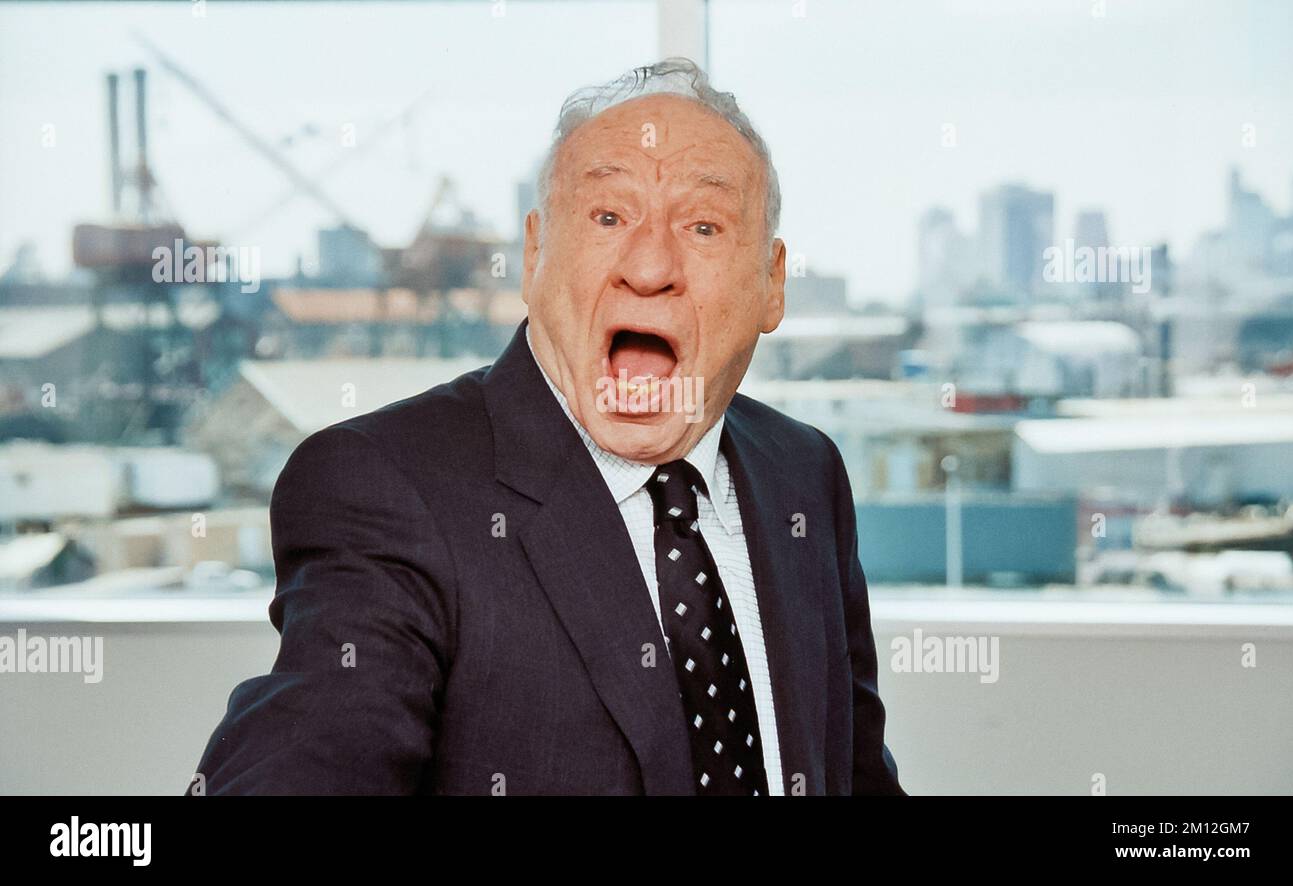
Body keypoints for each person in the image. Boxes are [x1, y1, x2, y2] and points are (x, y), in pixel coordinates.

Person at [191, 58, 904, 796]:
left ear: (771, 284)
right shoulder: (382, 486)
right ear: (534, 256)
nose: (651, 266)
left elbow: (856, 773)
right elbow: (311, 756)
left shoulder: (805, 472)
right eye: (607, 217)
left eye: (703, 224)